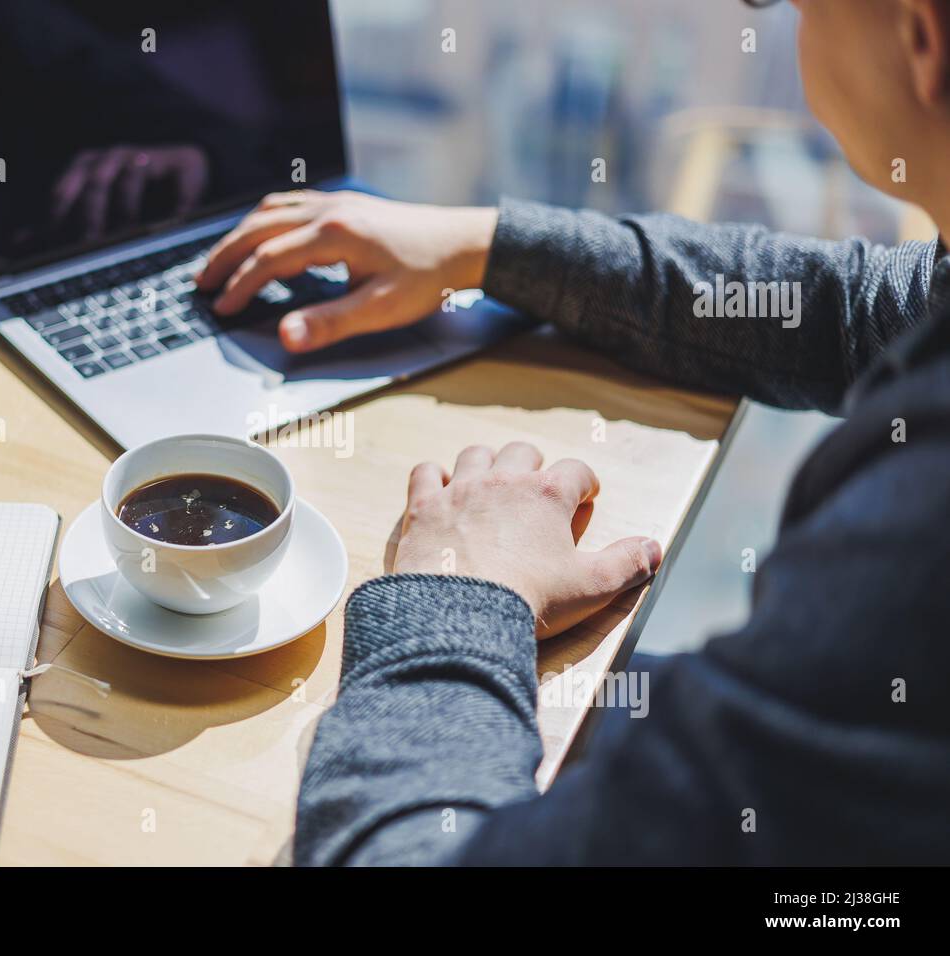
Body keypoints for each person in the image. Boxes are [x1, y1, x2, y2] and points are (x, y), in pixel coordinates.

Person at [194, 0, 950, 865]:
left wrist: (462, 597)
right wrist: (485, 246)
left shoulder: (918, 537)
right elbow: (844, 309)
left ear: (920, 35)